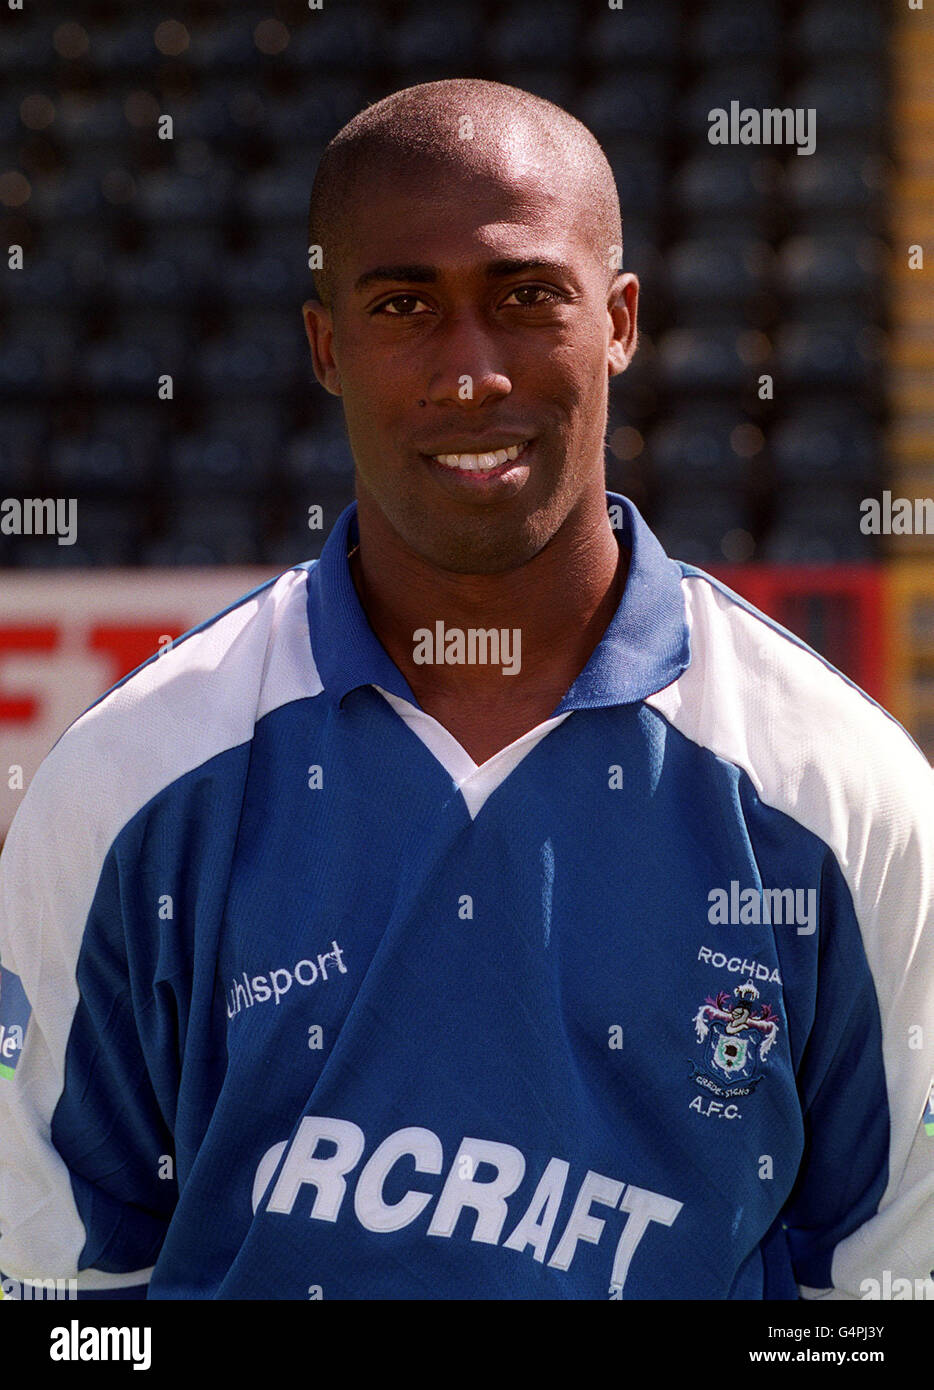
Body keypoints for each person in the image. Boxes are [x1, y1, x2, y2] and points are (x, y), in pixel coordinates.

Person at [0, 79, 931, 1302]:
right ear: (326, 348)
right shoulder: (130, 783)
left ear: (619, 321)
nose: (471, 373)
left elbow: (875, 1295)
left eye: (526, 296)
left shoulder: (840, 792)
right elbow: (64, 1299)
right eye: (403, 305)